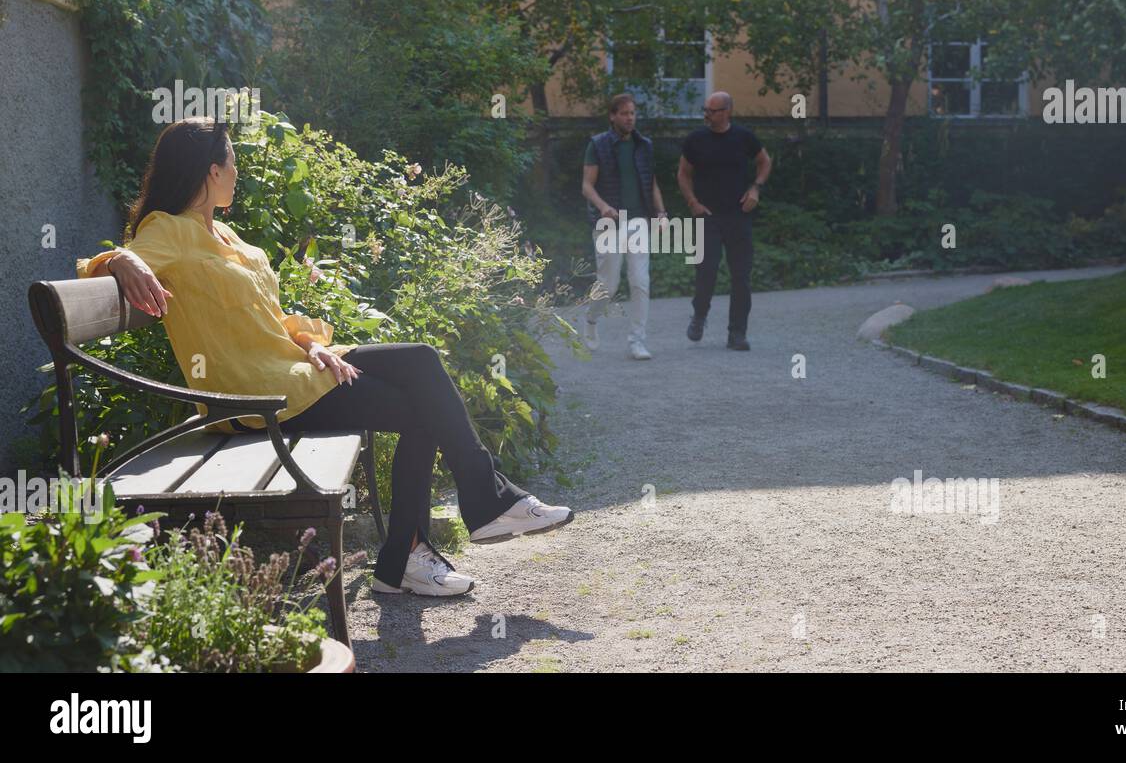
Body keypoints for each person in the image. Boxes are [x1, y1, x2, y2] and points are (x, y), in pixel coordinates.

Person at [77, 116, 572, 598]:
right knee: (422, 404)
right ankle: (436, 537)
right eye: (232, 163)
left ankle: (444, 531)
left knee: (420, 361)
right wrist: (121, 258)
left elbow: (266, 317)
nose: (237, 173)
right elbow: (96, 269)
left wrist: (312, 342)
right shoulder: (168, 230)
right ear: (211, 170)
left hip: (293, 368)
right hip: (255, 395)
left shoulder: (224, 236)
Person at [677, 91, 772, 350]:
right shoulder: (696, 140)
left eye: (712, 110)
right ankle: (699, 315)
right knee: (705, 272)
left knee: (741, 276)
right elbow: (683, 174)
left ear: (727, 111)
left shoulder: (744, 138)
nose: (707, 114)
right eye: (705, 109)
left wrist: (755, 189)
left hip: (738, 216)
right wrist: (693, 203)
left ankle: (737, 333)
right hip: (706, 217)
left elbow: (765, 162)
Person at [579, 93, 667, 360]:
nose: (630, 118)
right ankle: (591, 320)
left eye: (633, 113)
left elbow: (650, 183)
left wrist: (661, 213)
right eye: (625, 113)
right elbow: (586, 186)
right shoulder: (598, 144)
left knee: (641, 281)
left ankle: (637, 340)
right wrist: (603, 206)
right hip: (608, 223)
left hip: (639, 220)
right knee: (609, 285)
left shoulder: (644, 145)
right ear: (612, 116)